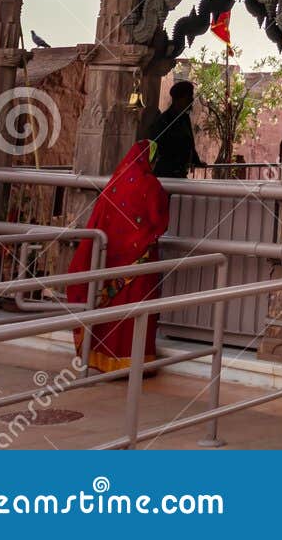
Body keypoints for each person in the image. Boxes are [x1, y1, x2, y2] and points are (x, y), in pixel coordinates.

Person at [66, 140, 172, 374]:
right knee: (135, 312)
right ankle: (134, 363)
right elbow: (160, 221)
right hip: (141, 259)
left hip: (111, 258)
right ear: (149, 160)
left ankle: (103, 359)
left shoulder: (116, 182)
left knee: (112, 312)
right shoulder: (150, 184)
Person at [145, 80, 203, 180]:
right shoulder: (164, 120)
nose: (191, 100)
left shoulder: (185, 118)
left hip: (180, 173)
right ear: (178, 99)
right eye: (188, 97)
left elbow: (190, 143)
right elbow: (156, 147)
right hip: (165, 175)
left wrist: (196, 161)